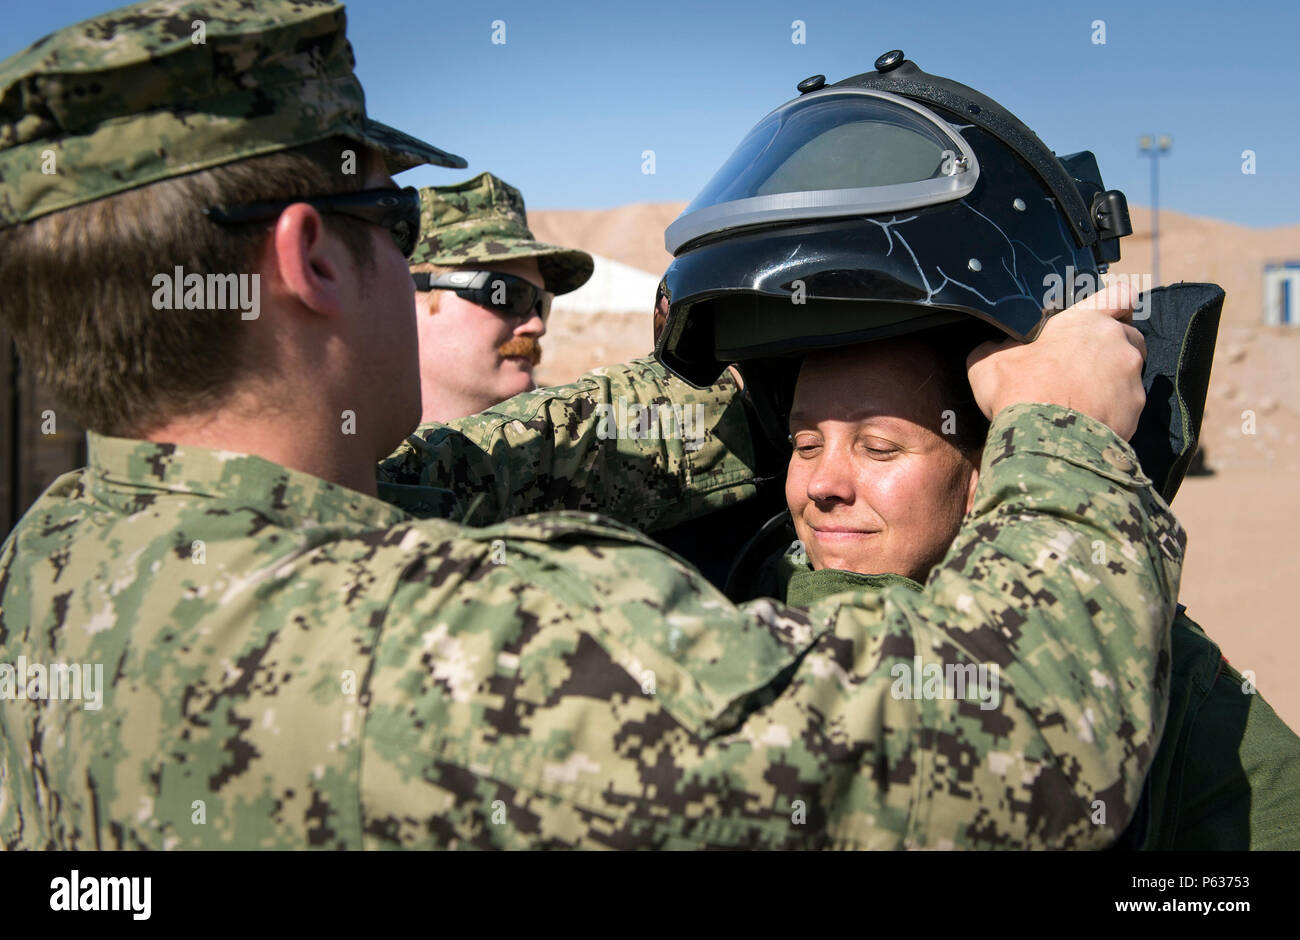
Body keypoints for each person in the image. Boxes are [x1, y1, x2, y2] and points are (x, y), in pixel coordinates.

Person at [0, 3, 1181, 850]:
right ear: (310, 254)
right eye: (392, 216)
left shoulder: (63, 557)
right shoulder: (478, 651)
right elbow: (1035, 747)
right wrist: (1060, 429)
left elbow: (467, 469)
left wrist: (765, 377)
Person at [727, 330, 1300, 850]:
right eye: (805, 444)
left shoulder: (1148, 668)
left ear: (986, 471)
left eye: (878, 447)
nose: (822, 484)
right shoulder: (724, 609)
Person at [408, 174, 593, 422]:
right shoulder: (347, 457)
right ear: (406, 301)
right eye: (506, 294)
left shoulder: (568, 453)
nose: (537, 326)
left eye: (542, 304)